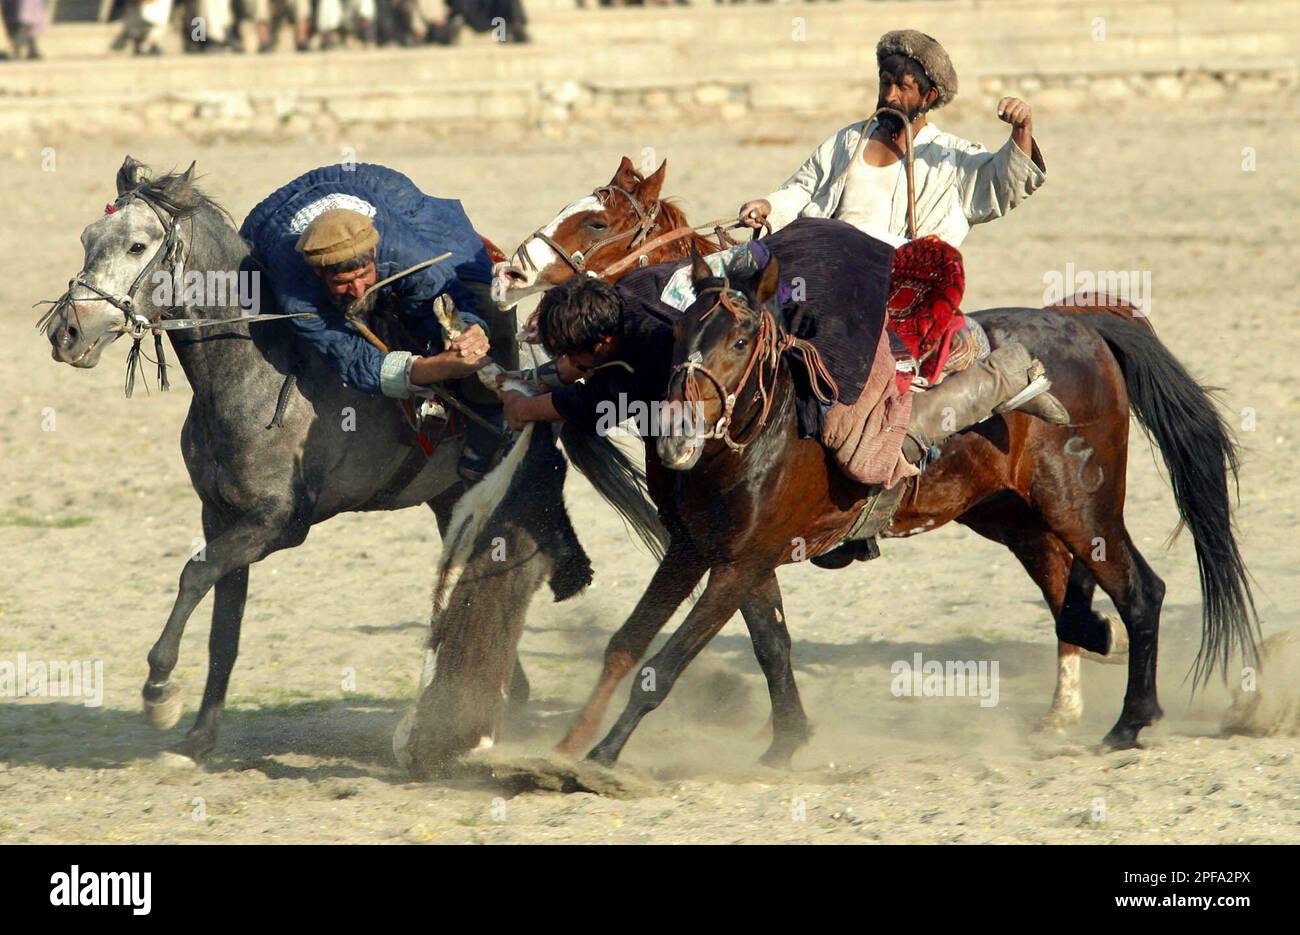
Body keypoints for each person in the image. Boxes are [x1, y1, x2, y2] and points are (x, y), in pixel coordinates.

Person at [240, 163, 510, 482]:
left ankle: (490, 423)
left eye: (363, 276)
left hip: (379, 189)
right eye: (343, 282)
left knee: (481, 286)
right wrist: (436, 368)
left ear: (375, 254)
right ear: (317, 273)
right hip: (274, 218)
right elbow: (352, 359)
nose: (357, 289)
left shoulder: (401, 247)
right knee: (254, 305)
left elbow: (442, 293)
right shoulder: (297, 284)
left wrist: (467, 329)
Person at [738, 29, 1045, 249]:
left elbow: (1000, 184)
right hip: (832, 269)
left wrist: (1022, 130)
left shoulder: (950, 157)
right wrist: (769, 206)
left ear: (928, 97)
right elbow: (804, 187)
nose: (889, 95)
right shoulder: (848, 141)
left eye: (902, 87)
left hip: (901, 287)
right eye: (885, 83)